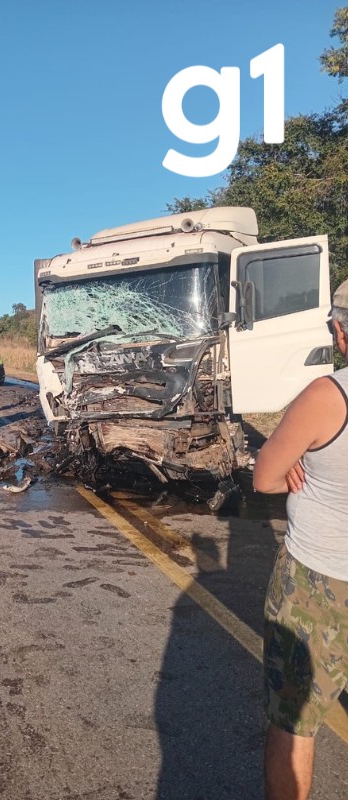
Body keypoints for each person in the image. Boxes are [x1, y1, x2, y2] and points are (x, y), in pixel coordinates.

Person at [254, 279, 348, 800]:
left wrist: (294, 464)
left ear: (339, 331)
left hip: (320, 581)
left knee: (294, 721)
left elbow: (266, 477)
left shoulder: (327, 395)